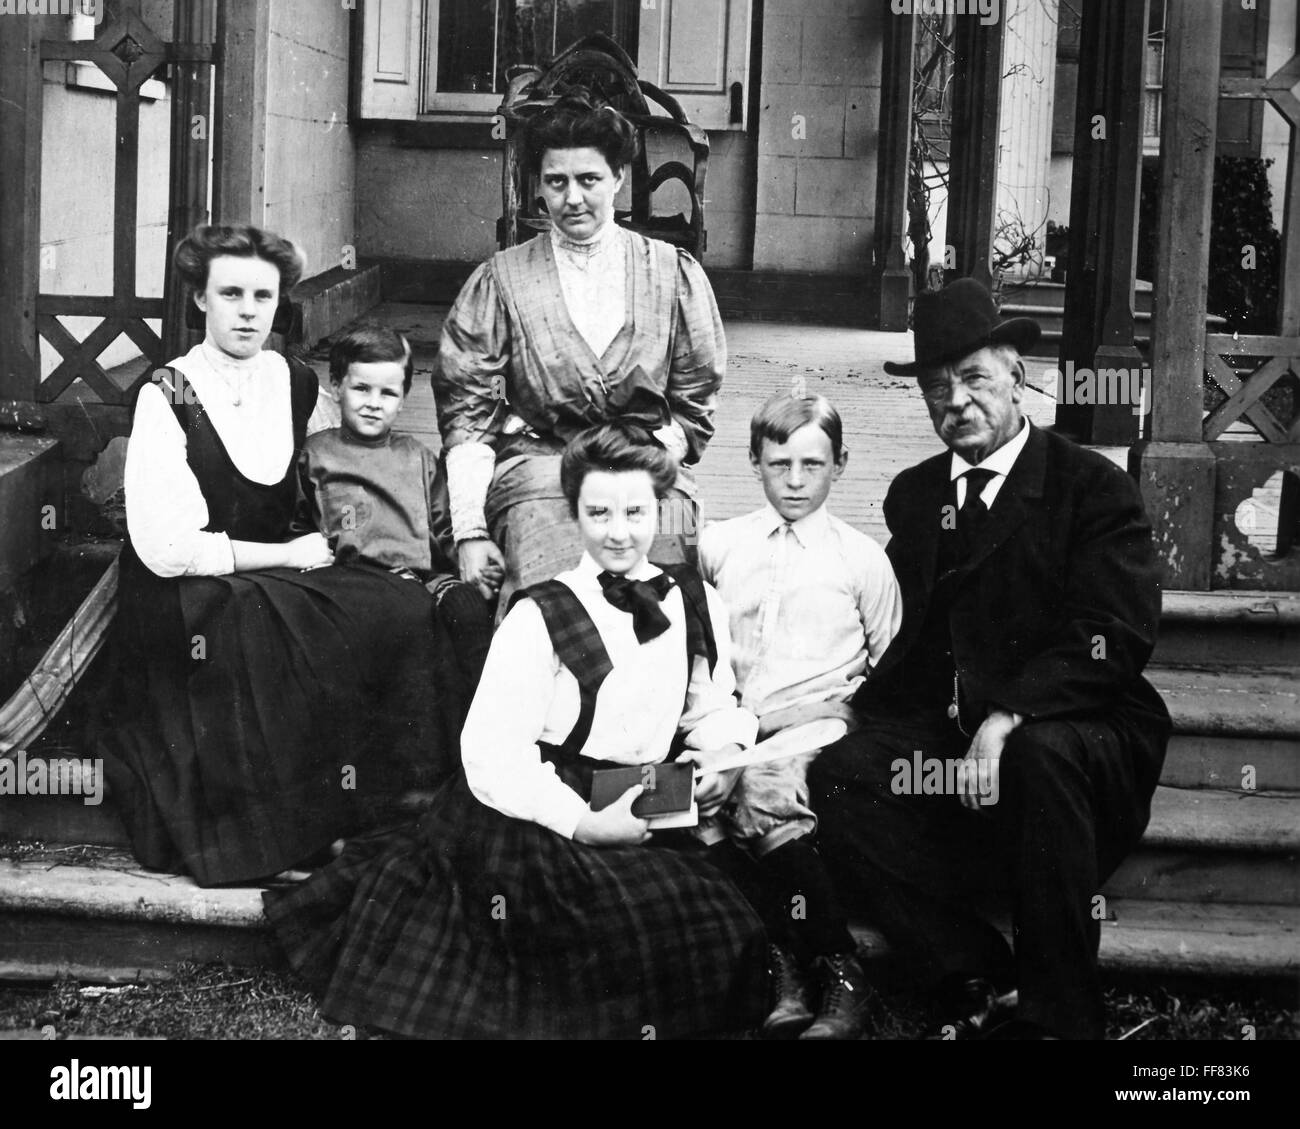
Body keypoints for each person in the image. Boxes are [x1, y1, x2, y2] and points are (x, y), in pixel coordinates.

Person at [263, 422, 768, 1039]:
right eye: (599, 511)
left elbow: (710, 703)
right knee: (590, 914)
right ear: (573, 513)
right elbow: (493, 754)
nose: (618, 530)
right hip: (538, 804)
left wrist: (724, 753)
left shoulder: (692, 600)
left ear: (659, 508)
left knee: (714, 919)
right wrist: (582, 822)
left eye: (635, 511)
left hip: (641, 793)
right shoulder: (540, 614)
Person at [808, 279, 1171, 1040]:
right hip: (955, 742)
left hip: (1081, 734)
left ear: (1017, 376)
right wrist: (836, 707)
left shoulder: (1091, 487)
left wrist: (1011, 713)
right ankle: (974, 966)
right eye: (937, 389)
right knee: (843, 772)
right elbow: (906, 635)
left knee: (1038, 754)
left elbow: (1114, 632)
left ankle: (1059, 1015)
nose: (956, 403)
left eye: (974, 379)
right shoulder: (915, 496)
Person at [98, 225, 468, 887]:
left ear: (279, 305)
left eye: (262, 296)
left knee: (395, 604)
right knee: (252, 629)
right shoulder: (169, 394)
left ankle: (372, 802)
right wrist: (285, 554)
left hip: (282, 571)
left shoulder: (294, 380)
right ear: (200, 301)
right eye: (230, 292)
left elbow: (345, 466)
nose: (246, 310)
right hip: (189, 589)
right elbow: (168, 549)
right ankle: (270, 829)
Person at [434, 88, 726, 615]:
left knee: (671, 566)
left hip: (645, 464)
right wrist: (470, 532)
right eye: (556, 181)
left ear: (617, 178)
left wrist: (646, 458)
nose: (573, 198)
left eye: (589, 179)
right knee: (548, 579)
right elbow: (468, 412)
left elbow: (694, 403)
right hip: (541, 468)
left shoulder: (670, 273)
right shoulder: (501, 281)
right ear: (538, 188)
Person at [699, 392, 901, 1040]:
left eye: (811, 465)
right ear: (753, 459)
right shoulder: (722, 544)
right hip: (731, 722)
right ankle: (782, 960)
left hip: (817, 721)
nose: (794, 480)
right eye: (778, 462)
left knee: (760, 789)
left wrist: (832, 710)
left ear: (840, 464)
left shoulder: (860, 558)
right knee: (692, 802)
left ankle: (839, 966)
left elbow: (889, 667)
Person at [296, 322, 494, 687]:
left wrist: (472, 565)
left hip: (422, 579)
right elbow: (299, 521)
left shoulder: (417, 457)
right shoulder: (317, 453)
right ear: (337, 387)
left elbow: (443, 525)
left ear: (403, 399)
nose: (373, 403)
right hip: (352, 577)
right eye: (361, 389)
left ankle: (477, 721)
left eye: (388, 393)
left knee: (467, 608)